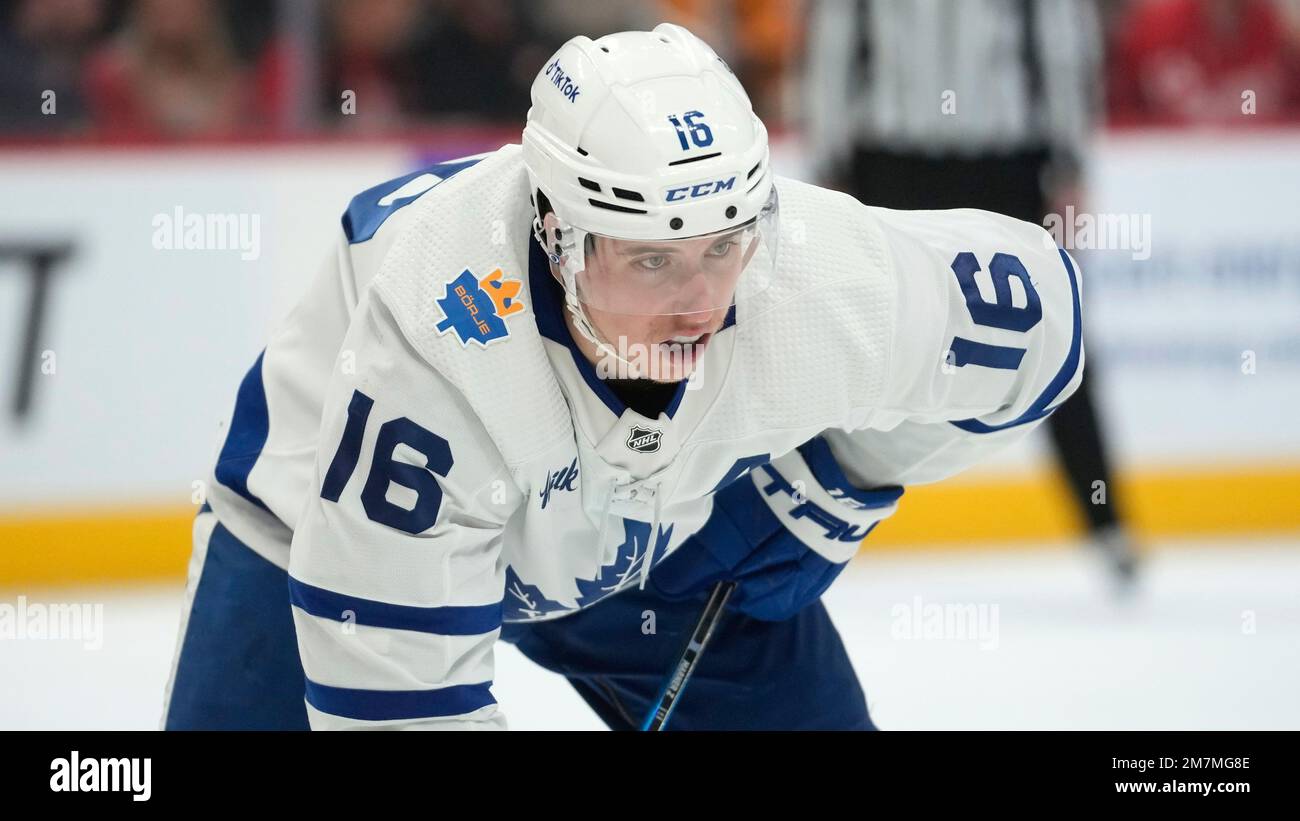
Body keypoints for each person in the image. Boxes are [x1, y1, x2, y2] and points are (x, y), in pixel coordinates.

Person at [163, 23, 1084, 731]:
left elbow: (1045, 316)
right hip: (310, 532)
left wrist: (831, 482)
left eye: (723, 248)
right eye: (651, 262)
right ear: (560, 237)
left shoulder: (808, 273)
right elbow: (396, 710)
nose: (700, 305)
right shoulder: (432, 361)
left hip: (655, 542)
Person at [804, 0, 1137, 585]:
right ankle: (803, 515)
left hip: (1003, 162)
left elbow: (1062, 44)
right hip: (889, 160)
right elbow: (833, 45)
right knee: (853, 335)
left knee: (1052, 335)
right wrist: (829, 158)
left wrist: (1072, 164)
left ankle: (1106, 523)